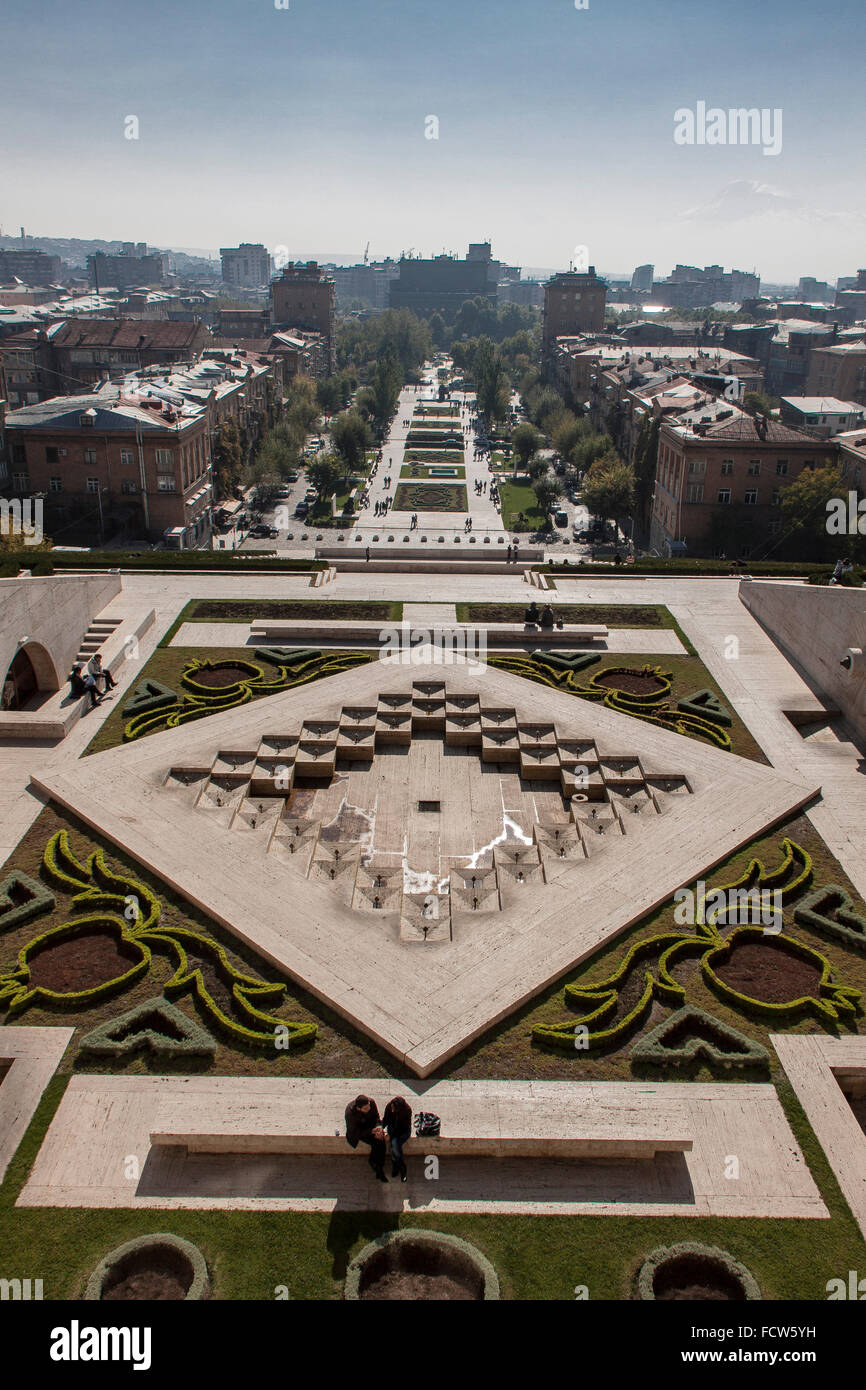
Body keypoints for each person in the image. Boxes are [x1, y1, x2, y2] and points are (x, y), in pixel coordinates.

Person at [345, 1094, 388, 1182]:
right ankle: (375, 1164)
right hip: (360, 1132)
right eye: (365, 1109)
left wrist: (379, 1127)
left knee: (381, 1141)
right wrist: (371, 1131)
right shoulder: (350, 1114)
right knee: (376, 1142)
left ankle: (379, 1165)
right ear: (358, 1108)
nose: (368, 1109)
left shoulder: (371, 1103)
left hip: (371, 1127)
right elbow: (354, 1132)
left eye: (368, 1107)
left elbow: (376, 1117)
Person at [382, 1095, 413, 1182]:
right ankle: (400, 1167)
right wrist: (382, 1130)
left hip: (403, 1132)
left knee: (394, 1146)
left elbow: (403, 1127)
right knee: (393, 1147)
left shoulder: (407, 1110)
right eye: (392, 1108)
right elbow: (386, 1120)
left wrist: (391, 1136)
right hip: (392, 1129)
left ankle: (399, 1166)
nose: (392, 1110)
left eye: (394, 1109)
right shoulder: (389, 1106)